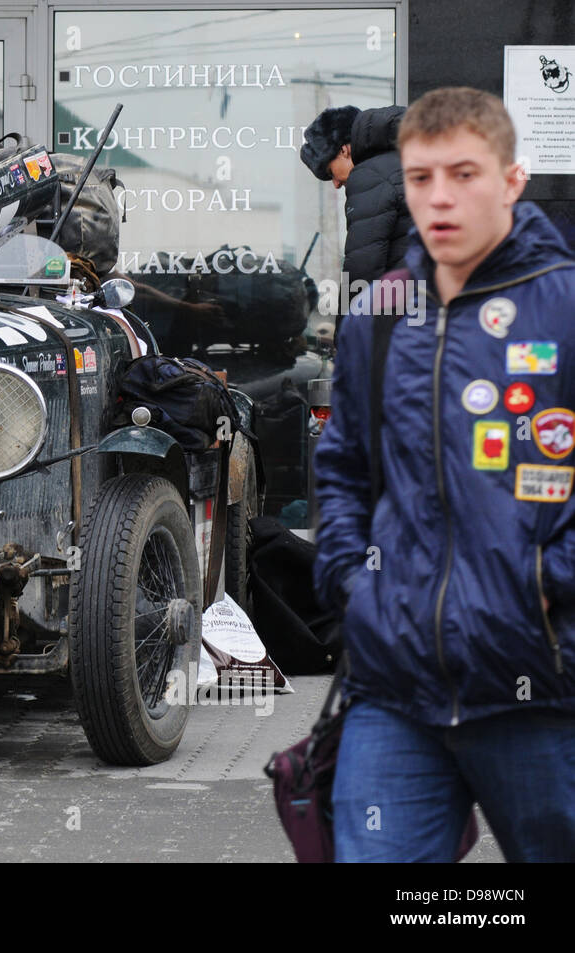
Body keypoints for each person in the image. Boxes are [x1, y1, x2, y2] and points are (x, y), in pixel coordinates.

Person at [314, 87, 575, 862]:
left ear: (512, 180)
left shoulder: (563, 310)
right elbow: (343, 467)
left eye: (463, 174)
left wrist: (543, 583)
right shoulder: (382, 315)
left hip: (546, 685)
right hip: (396, 688)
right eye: (422, 178)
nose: (440, 198)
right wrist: (353, 582)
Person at [301, 104, 415, 295]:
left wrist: (347, 323)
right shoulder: (406, 160)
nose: (336, 184)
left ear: (344, 150)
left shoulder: (369, 175)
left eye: (331, 172)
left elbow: (362, 269)